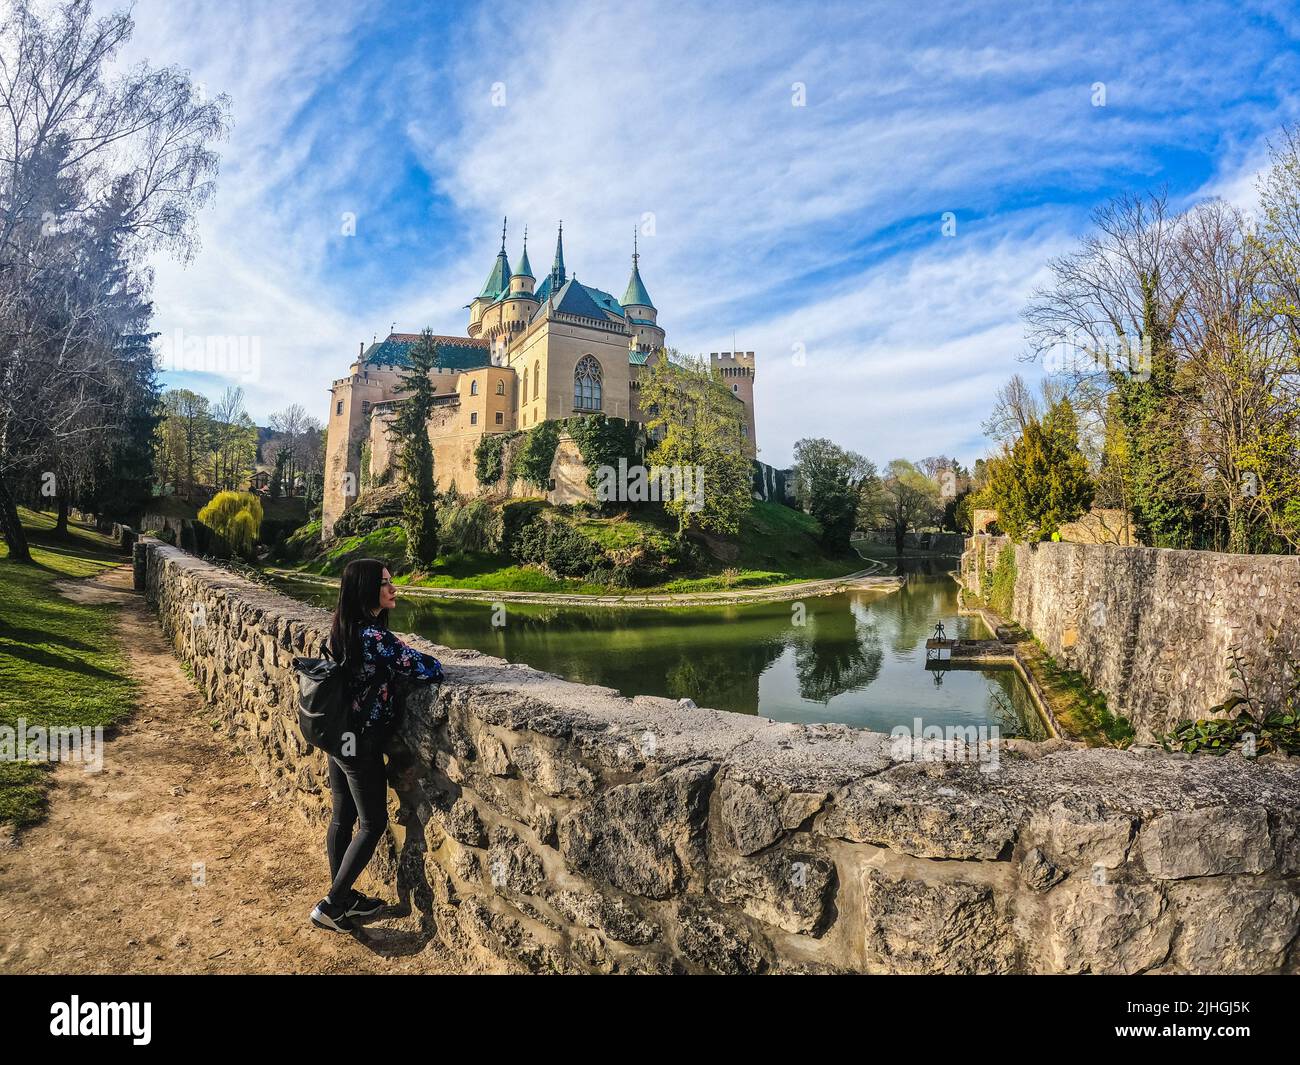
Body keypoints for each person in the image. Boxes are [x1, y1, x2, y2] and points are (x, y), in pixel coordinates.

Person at [310, 557, 443, 933]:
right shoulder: (372, 636)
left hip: (339, 736)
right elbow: (427, 668)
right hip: (361, 741)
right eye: (385, 583)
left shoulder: (344, 627)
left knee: (343, 818)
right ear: (367, 589)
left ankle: (344, 897)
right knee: (373, 822)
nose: (393, 588)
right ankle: (333, 905)